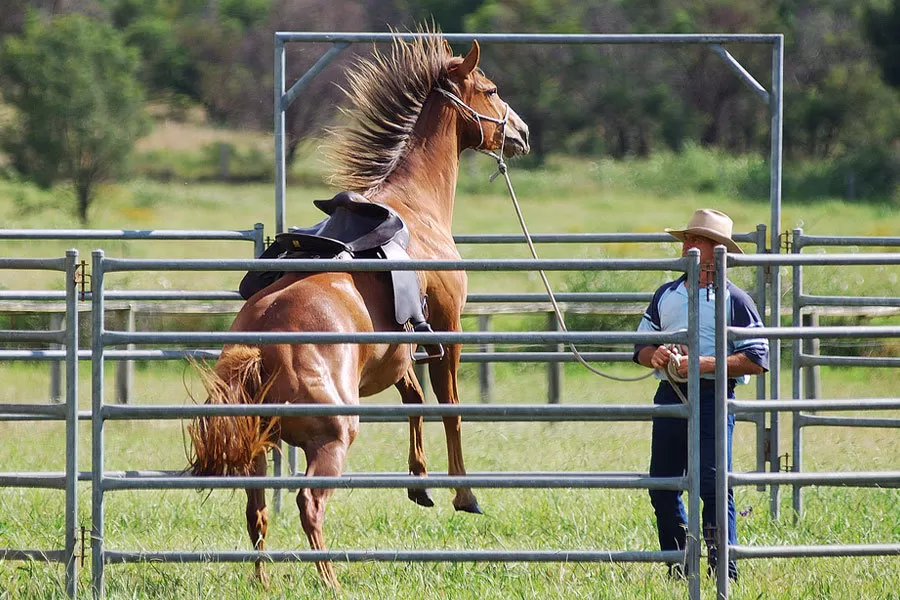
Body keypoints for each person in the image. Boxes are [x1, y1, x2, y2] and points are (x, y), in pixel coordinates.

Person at [633, 208, 769, 581]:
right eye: (688, 239)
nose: (688, 245)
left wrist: (706, 364)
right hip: (670, 394)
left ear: (717, 249)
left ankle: (722, 568)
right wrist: (656, 355)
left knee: (712, 483)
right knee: (663, 484)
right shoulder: (666, 294)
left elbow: (757, 358)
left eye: (697, 240)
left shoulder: (736, 300)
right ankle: (680, 567)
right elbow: (640, 348)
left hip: (713, 397)